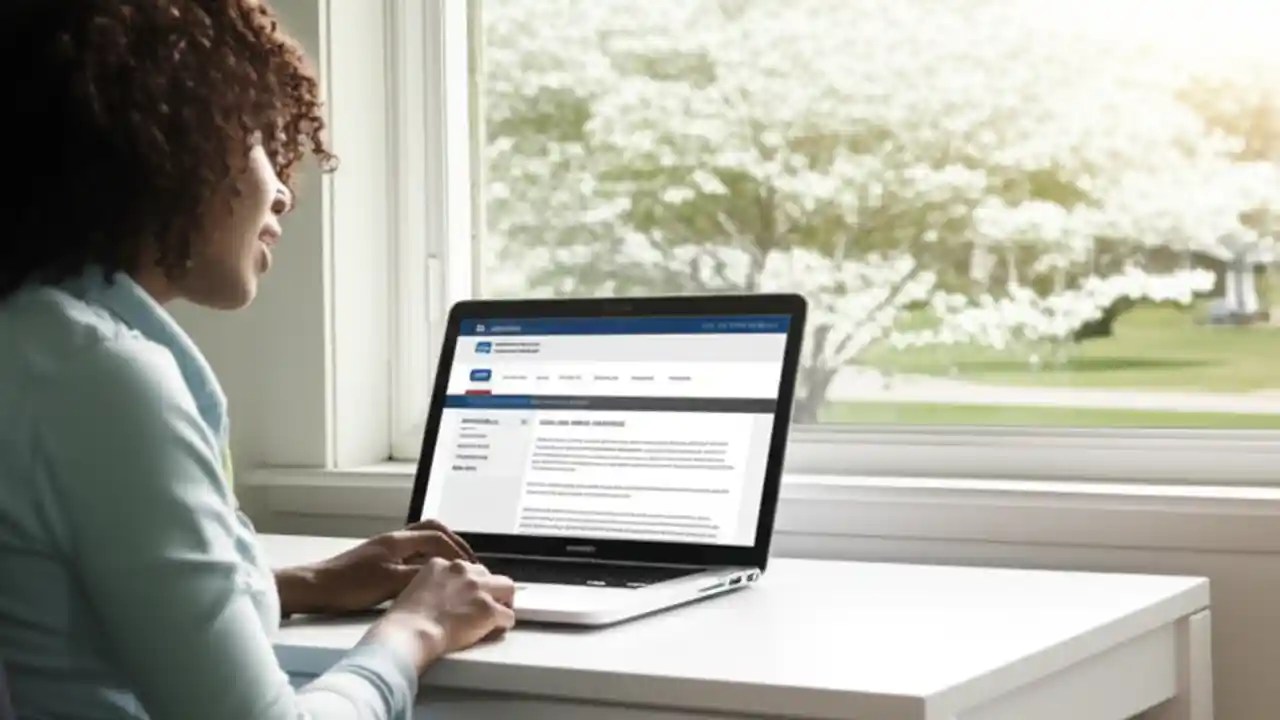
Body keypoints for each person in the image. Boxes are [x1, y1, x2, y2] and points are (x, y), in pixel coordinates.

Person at [0, 1, 515, 718]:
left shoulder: (31, 340)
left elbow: (67, 615)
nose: (282, 190)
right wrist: (418, 627)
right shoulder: (100, 376)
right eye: (260, 141)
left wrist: (300, 581)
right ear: (169, 138)